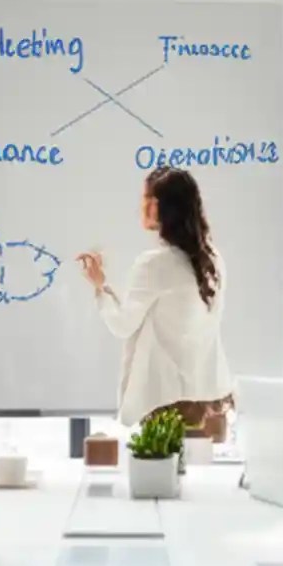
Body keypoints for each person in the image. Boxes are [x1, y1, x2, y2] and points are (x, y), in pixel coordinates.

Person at [77, 167, 232, 427]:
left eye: (146, 197)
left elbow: (122, 324)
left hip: (166, 402)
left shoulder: (155, 264)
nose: (141, 205)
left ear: (157, 207)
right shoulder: (213, 260)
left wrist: (100, 286)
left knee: (162, 467)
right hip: (210, 401)